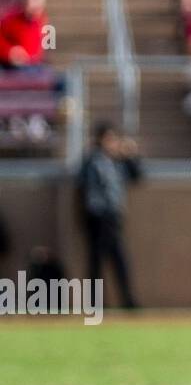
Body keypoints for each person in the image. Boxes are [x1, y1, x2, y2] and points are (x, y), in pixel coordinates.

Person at [76, 123, 142, 309]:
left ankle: (127, 300)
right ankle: (96, 302)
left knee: (118, 258)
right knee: (96, 260)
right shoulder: (93, 161)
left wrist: (131, 155)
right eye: (109, 139)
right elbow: (82, 184)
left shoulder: (116, 162)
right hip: (97, 216)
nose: (112, 143)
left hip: (113, 216)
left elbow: (137, 176)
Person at [0, 0, 49, 68]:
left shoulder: (41, 20)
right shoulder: (12, 19)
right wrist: (10, 51)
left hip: (32, 65)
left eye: (38, 8)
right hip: (13, 66)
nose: (36, 12)